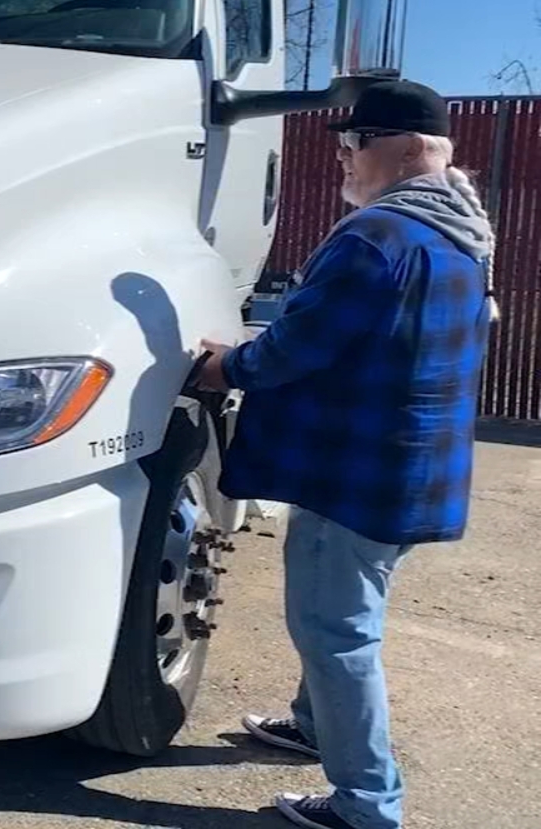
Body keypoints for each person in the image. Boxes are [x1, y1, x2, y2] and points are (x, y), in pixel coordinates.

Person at [193, 80, 495, 829]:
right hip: (411, 472)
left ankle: (366, 805)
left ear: (409, 149)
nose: (345, 158)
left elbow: (300, 344)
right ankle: (314, 727)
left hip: (353, 474)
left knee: (335, 633)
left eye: (357, 143)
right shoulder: (460, 234)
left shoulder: (376, 236)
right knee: (345, 615)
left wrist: (226, 365)